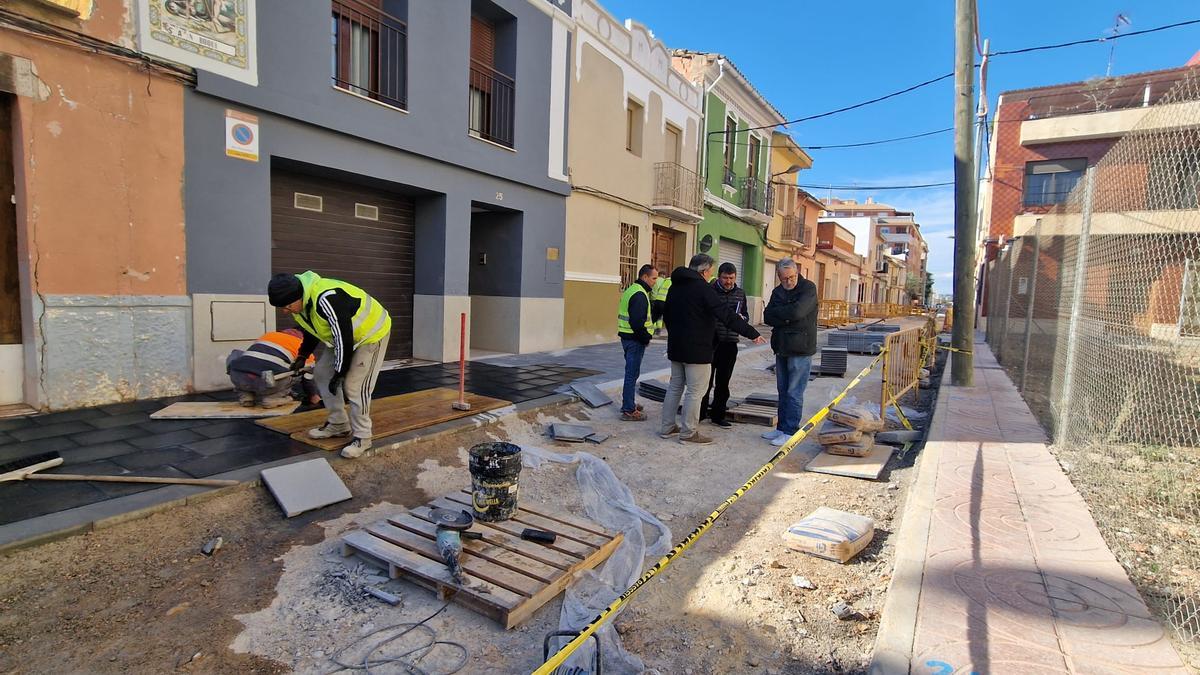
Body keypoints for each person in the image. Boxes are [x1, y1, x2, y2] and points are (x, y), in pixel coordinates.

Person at [268, 270, 391, 459]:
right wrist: (302, 355)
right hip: (343, 336)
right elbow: (312, 329)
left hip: (371, 333)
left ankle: (363, 437)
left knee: (355, 386)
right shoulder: (300, 304)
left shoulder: (327, 299)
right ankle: (339, 424)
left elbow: (343, 336)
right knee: (322, 373)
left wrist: (340, 373)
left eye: (287, 305)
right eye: (281, 307)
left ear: (298, 296)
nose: (285, 310)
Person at [661, 253, 765, 445]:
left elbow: (666, 315)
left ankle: (667, 427)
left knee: (675, 387)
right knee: (695, 390)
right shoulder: (703, 288)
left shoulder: (675, 286)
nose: (710, 275)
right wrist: (751, 332)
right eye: (710, 271)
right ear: (705, 271)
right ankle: (688, 433)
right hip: (698, 349)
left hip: (676, 347)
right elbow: (726, 315)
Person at [762, 258, 818, 447]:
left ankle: (791, 430)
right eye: (784, 278)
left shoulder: (808, 288)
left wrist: (782, 315)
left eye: (791, 277)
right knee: (782, 390)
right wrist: (787, 316)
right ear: (778, 276)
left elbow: (798, 313)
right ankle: (781, 428)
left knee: (794, 392)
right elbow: (767, 316)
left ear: (797, 272)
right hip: (781, 347)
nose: (788, 281)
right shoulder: (777, 291)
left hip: (800, 348)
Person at [699, 262, 749, 428]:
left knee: (723, 381)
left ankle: (718, 415)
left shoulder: (740, 293)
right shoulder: (709, 291)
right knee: (705, 380)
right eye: (725, 278)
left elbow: (745, 315)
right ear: (719, 276)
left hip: (730, 343)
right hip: (710, 343)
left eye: (732, 278)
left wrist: (743, 319)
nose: (729, 281)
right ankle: (699, 413)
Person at [225, 328, 320, 408]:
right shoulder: (303, 348)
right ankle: (272, 399)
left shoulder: (267, 336)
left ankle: (246, 397)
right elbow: (308, 378)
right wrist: (313, 396)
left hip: (238, 378)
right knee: (300, 371)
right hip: (268, 383)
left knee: (239, 355)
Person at [616, 264, 659, 421]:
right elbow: (637, 323)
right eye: (654, 278)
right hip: (634, 340)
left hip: (628, 338)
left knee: (632, 373)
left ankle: (630, 402)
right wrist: (646, 338)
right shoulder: (640, 294)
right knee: (631, 374)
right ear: (645, 277)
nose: (655, 282)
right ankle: (628, 409)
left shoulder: (633, 289)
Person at [651, 268, 671, 336]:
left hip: (656, 299)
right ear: (663, 275)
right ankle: (659, 330)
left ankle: (650, 330)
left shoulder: (664, 280)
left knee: (654, 316)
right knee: (663, 317)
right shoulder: (667, 281)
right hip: (664, 301)